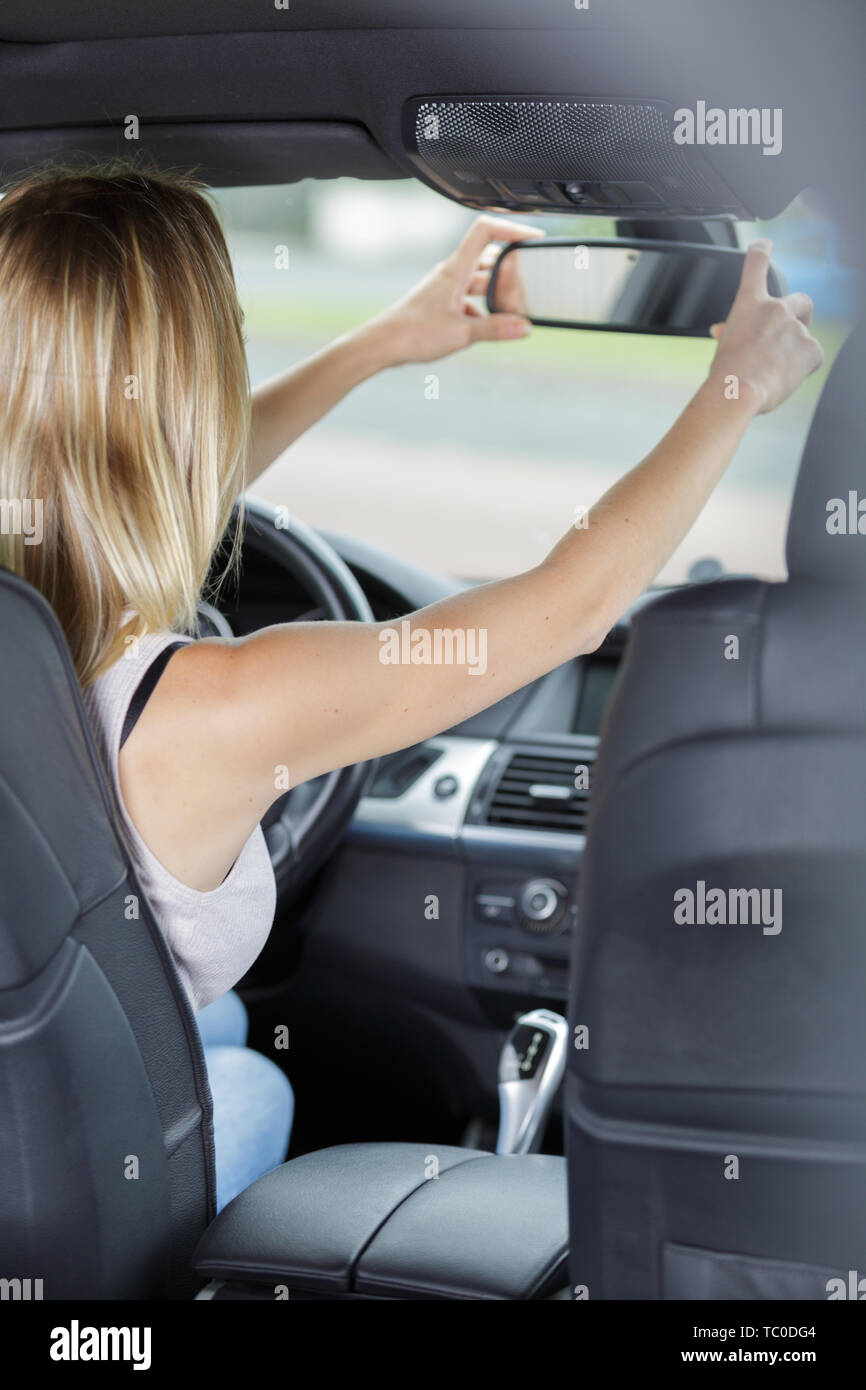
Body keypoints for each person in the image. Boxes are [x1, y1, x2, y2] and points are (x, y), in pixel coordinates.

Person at [0, 164, 823, 1206]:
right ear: (195, 383)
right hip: (70, 1191)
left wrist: (391, 336)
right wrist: (735, 388)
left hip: (29, 1072)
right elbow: (568, 608)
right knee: (245, 1072)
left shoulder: (21, 612)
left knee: (218, 1020)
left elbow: (141, 472)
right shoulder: (215, 707)